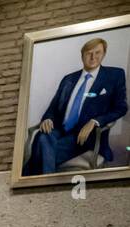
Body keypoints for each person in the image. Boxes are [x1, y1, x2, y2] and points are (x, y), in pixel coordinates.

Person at [24, 37, 127, 176]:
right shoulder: (69, 79)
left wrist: (95, 121)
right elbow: (53, 108)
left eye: (97, 53)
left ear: (104, 54)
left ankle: (33, 179)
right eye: (89, 53)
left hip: (85, 138)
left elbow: (121, 107)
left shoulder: (114, 75)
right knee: (44, 138)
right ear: (82, 55)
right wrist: (48, 118)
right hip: (60, 130)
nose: (93, 57)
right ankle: (47, 186)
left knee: (41, 143)